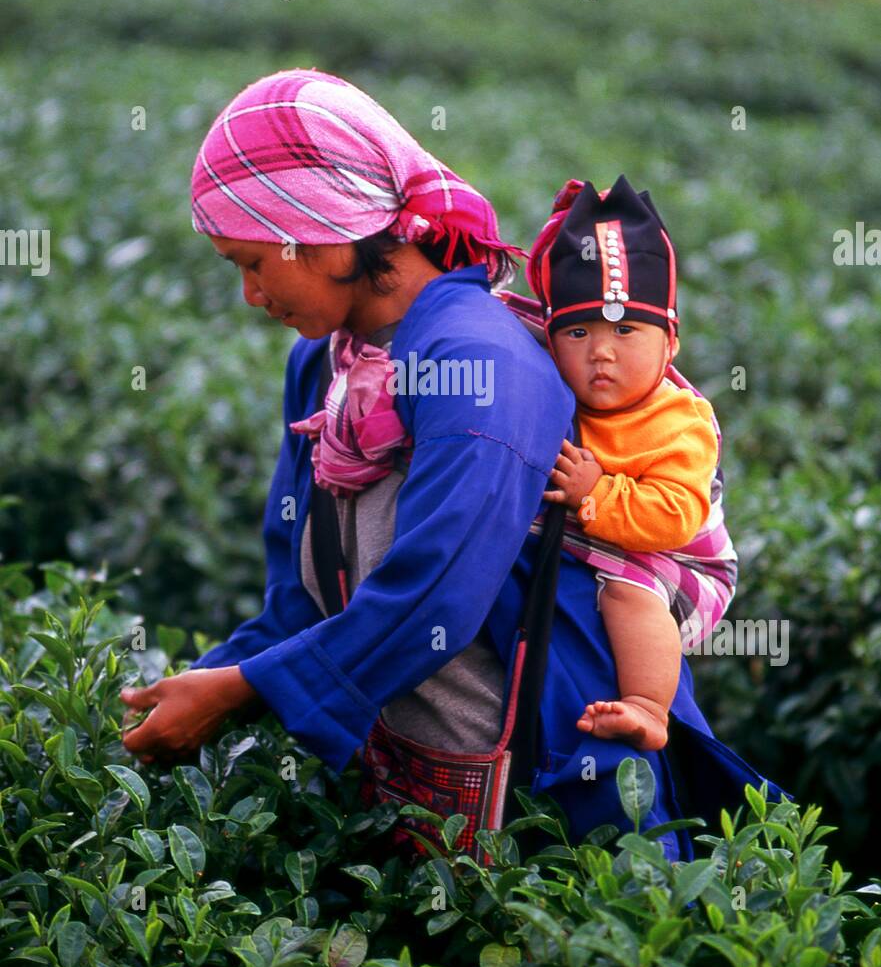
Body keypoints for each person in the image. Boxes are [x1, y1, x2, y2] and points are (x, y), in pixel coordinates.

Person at [120, 68, 791, 863]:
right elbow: (295, 598)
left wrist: (243, 691)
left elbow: (436, 593)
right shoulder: (327, 368)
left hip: (563, 780)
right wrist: (203, 684)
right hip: (408, 784)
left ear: (325, 232)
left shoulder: (476, 363)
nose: (248, 294)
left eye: (253, 260)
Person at [525, 175, 738, 755]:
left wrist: (596, 494)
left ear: (670, 342)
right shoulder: (556, 389)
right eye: (577, 331)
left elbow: (673, 518)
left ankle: (648, 706)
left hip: (679, 563)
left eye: (626, 330)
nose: (601, 351)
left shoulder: (680, 422)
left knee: (627, 590)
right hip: (616, 534)